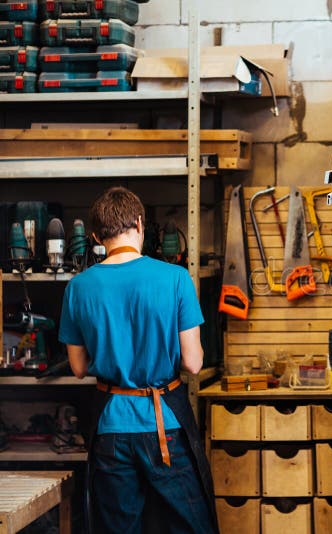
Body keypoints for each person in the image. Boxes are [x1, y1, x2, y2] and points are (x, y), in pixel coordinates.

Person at [59, 186, 217, 534]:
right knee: (190, 525)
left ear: (97, 237)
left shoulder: (78, 287)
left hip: (110, 427)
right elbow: (193, 362)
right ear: (140, 224)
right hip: (165, 425)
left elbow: (78, 368)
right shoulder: (175, 278)